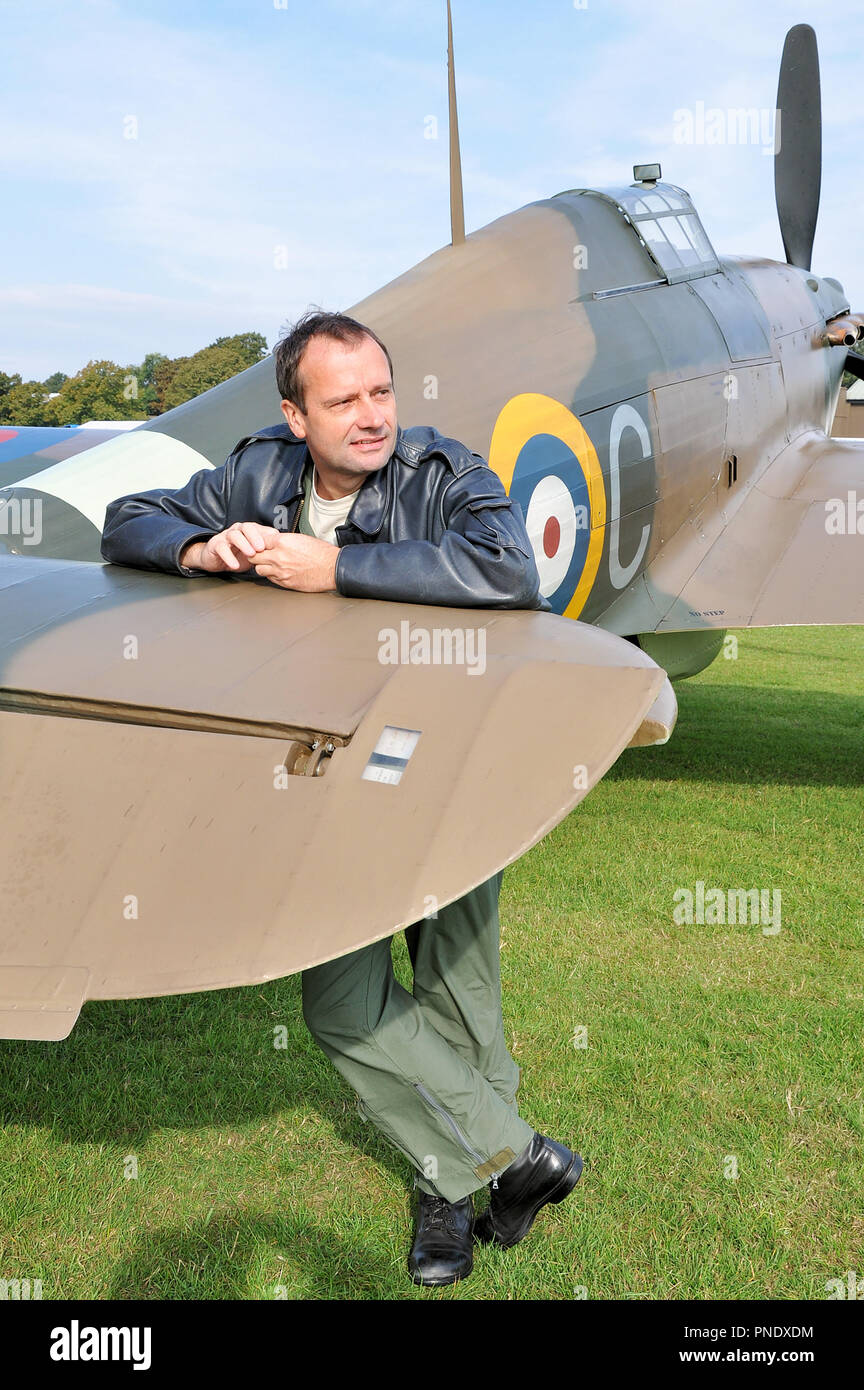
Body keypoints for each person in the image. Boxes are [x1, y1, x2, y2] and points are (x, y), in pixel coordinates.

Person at [100, 309, 583, 1287]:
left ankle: (453, 1188)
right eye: (343, 399)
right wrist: (201, 551)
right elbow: (129, 518)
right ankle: (517, 1157)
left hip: (454, 767)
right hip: (333, 777)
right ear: (293, 415)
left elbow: (509, 571)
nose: (372, 417)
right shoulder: (257, 474)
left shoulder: (445, 472)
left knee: (460, 996)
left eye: (381, 391)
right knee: (344, 1003)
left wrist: (339, 568)